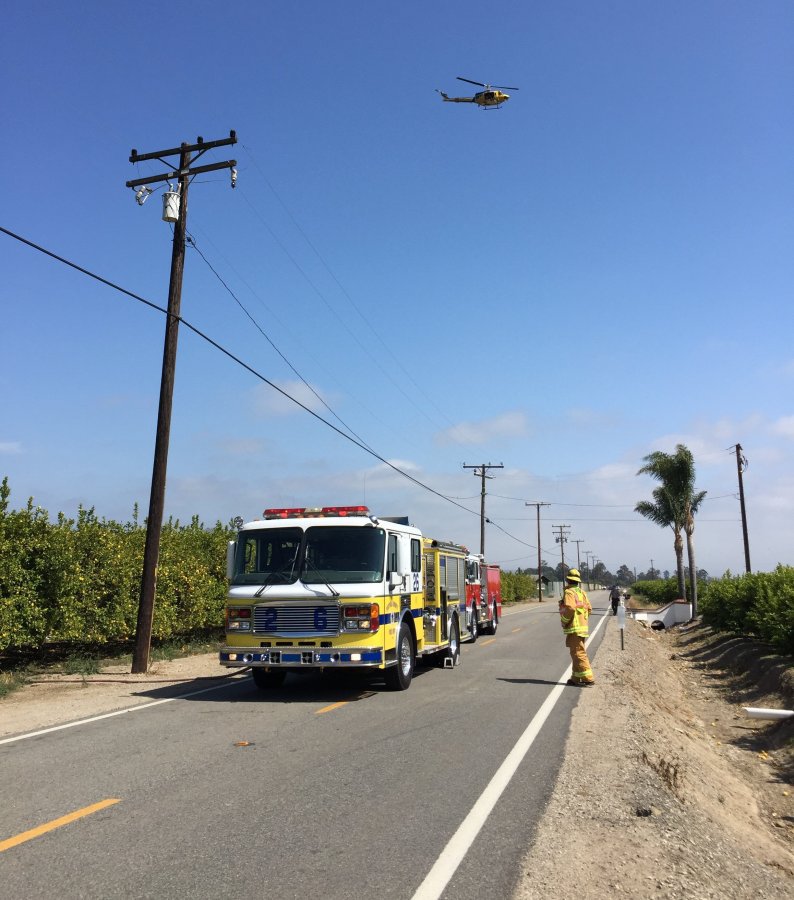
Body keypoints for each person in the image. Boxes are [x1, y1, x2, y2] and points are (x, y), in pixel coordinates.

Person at [559, 568, 595, 686]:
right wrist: (582, 620)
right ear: (578, 581)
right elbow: (589, 609)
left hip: (574, 627)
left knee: (578, 653)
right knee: (576, 652)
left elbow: (570, 608)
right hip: (582, 627)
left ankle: (588, 677)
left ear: (568, 580)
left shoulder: (569, 593)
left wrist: (564, 621)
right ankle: (575, 678)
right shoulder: (582, 593)